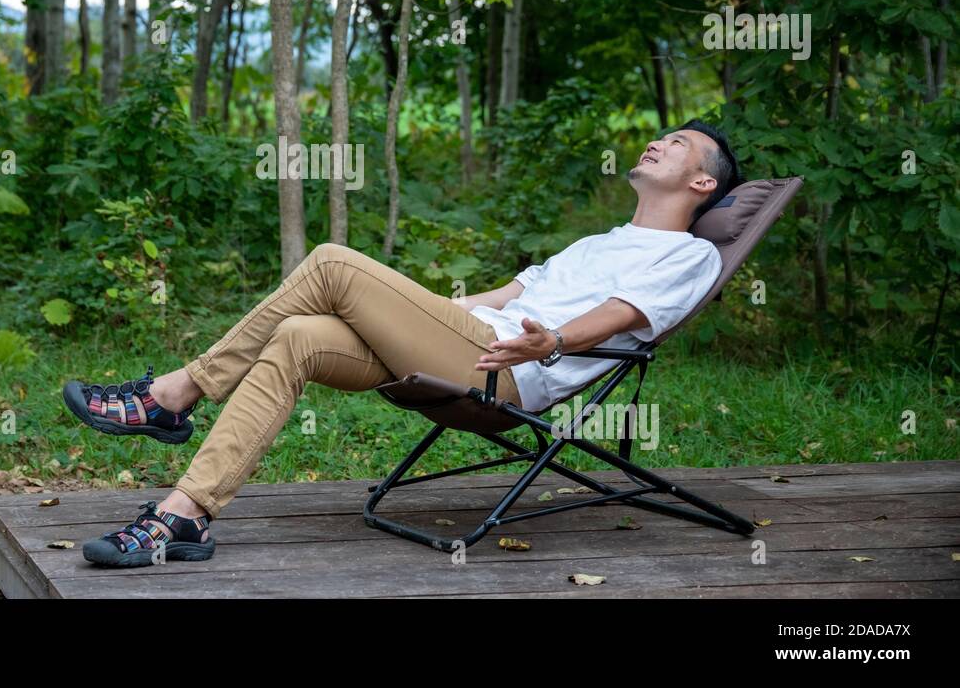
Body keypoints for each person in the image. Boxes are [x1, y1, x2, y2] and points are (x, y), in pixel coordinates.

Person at [62, 119, 742, 567]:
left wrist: (554, 342)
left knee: (331, 259)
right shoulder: (598, 241)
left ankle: (171, 397)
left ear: (703, 182)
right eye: (662, 136)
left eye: (678, 143)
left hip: (502, 378)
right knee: (298, 333)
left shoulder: (690, 255)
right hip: (466, 343)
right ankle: (186, 516)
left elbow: (624, 316)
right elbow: (500, 299)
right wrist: (406, 309)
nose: (658, 142)